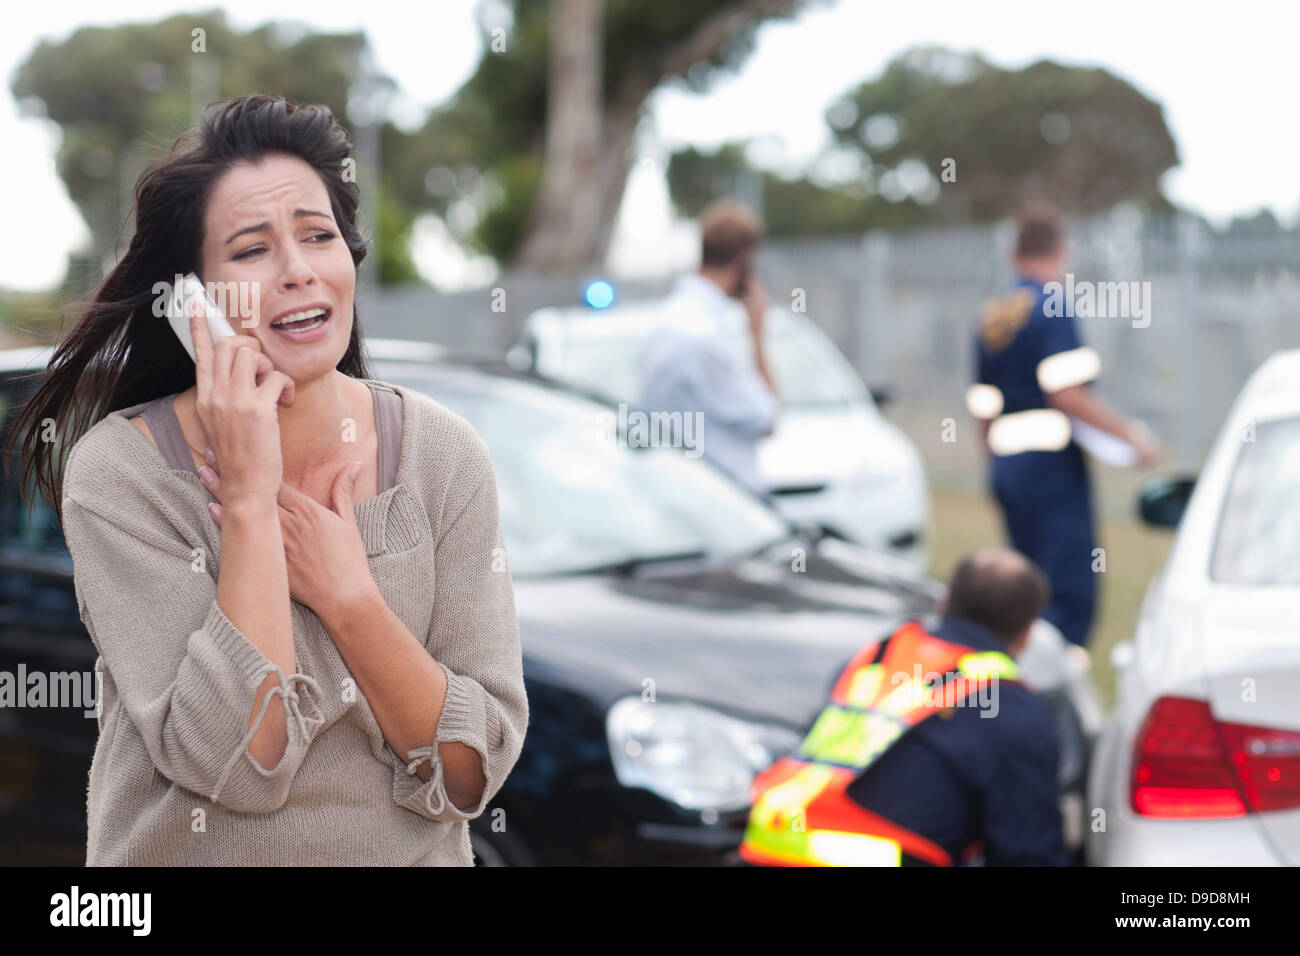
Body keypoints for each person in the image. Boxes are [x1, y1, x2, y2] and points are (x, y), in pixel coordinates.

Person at [5, 95, 528, 865]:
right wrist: (249, 501)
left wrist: (351, 600)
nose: (297, 272)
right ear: (193, 301)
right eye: (251, 251)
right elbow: (239, 765)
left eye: (318, 237)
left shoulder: (444, 456)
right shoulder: (121, 475)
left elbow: (466, 776)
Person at [739, 547, 1068, 867]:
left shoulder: (875, 658)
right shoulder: (1013, 710)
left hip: (768, 844)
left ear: (943, 603)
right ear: (1026, 634)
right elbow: (1028, 851)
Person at [967, 204, 1160, 648]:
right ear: (1062, 251)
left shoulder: (993, 312)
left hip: (1007, 467)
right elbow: (1066, 394)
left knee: (1020, 583)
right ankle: (1058, 687)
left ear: (1013, 253)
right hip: (1050, 470)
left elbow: (983, 401)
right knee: (1067, 590)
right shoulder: (1051, 302)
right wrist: (1132, 438)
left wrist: (992, 465)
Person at [635, 200, 782, 497]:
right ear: (744, 257)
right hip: (722, 503)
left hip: (680, 493)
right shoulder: (705, 333)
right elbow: (767, 418)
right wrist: (758, 334)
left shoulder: (669, 319)